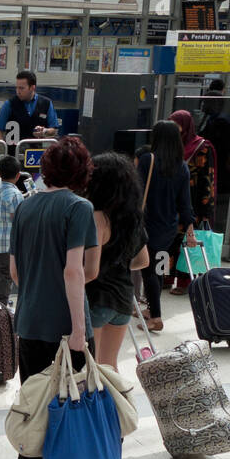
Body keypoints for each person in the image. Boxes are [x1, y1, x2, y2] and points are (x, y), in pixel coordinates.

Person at [9, 136, 100, 459]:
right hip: (66, 325)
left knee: (34, 398)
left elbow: (15, 271)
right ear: (81, 172)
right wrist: (79, 329)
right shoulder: (78, 208)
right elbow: (75, 272)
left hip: (29, 321)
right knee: (69, 403)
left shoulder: (25, 208)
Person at [83, 152, 151, 368]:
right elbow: (143, 260)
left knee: (88, 367)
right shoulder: (133, 217)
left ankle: (97, 404)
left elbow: (89, 267)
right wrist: (118, 263)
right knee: (109, 366)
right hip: (123, 298)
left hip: (96, 297)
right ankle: (118, 402)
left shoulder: (97, 217)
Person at [136, 121, 197, 332]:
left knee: (148, 270)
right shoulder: (182, 167)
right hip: (169, 228)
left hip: (147, 225)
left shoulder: (147, 160)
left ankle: (156, 317)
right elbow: (185, 204)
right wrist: (189, 231)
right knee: (157, 269)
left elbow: (137, 192)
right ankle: (152, 309)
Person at [168, 109, 217, 294]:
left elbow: (207, 179)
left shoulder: (202, 147)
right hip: (172, 202)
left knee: (187, 244)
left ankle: (184, 282)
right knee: (169, 243)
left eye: (176, 123)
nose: (174, 127)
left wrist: (206, 209)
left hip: (193, 203)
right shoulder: (172, 145)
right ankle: (165, 277)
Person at [0, 154, 26, 303]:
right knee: (6, 274)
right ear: (18, 175)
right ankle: (1, 304)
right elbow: (17, 219)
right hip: (9, 243)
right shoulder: (15, 195)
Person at [0, 70, 59, 154]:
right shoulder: (9, 104)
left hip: (35, 156)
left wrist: (45, 131)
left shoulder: (46, 104)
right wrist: (3, 153)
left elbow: (54, 129)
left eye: (21, 88)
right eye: (16, 87)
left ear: (32, 87)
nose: (17, 91)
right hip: (13, 155)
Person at [199, 78, 230, 192]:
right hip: (218, 150)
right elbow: (226, 143)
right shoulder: (223, 116)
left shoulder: (205, 98)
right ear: (223, 89)